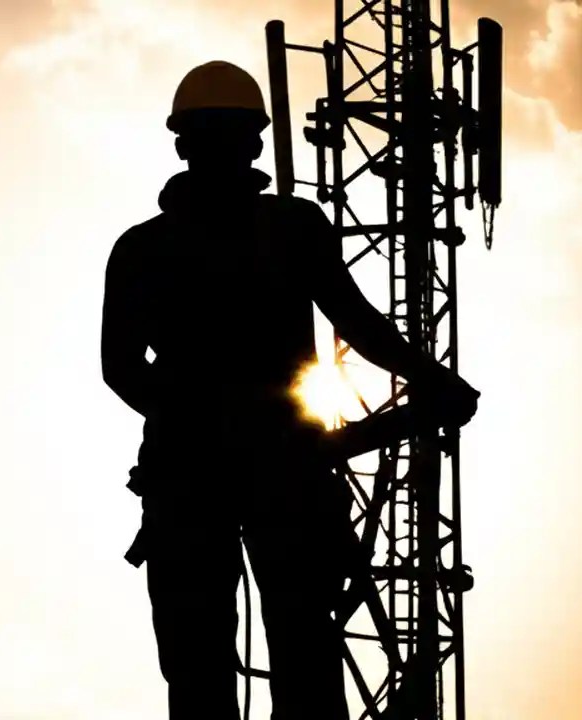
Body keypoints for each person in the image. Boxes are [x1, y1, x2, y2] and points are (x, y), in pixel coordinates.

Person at [101, 60, 479, 720]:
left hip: (209, 475)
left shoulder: (152, 247)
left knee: (217, 663)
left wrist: (192, 422)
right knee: (277, 655)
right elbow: (358, 323)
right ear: (253, 144)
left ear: (183, 145)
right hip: (255, 471)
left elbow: (123, 369)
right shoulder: (282, 228)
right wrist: (433, 380)